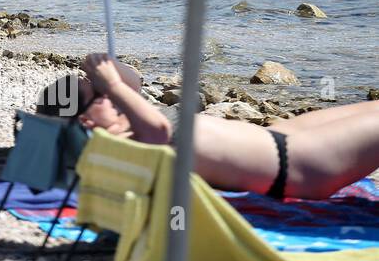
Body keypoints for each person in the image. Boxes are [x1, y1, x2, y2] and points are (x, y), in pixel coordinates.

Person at [42, 53, 379, 200]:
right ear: (83, 119)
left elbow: (134, 81)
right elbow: (160, 132)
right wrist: (112, 85)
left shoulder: (125, 118)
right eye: (99, 96)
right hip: (301, 165)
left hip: (287, 138)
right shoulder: (129, 137)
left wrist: (105, 69)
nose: (110, 96)